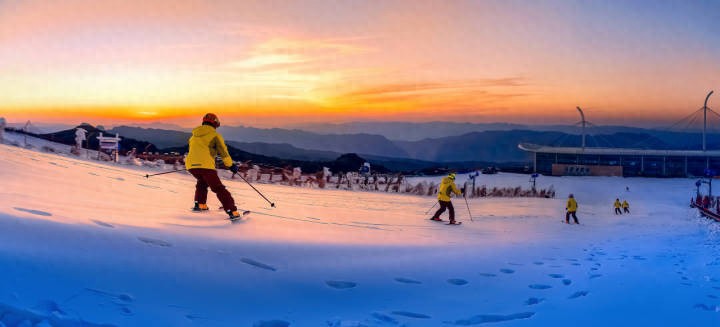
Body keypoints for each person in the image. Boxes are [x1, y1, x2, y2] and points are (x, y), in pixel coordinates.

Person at [185, 113, 241, 219]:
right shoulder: (215, 136)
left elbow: (195, 151)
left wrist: (195, 164)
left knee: (202, 183)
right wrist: (231, 165)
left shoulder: (193, 136)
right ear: (215, 123)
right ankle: (232, 211)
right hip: (206, 167)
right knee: (218, 188)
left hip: (191, 166)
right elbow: (223, 152)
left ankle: (200, 204)